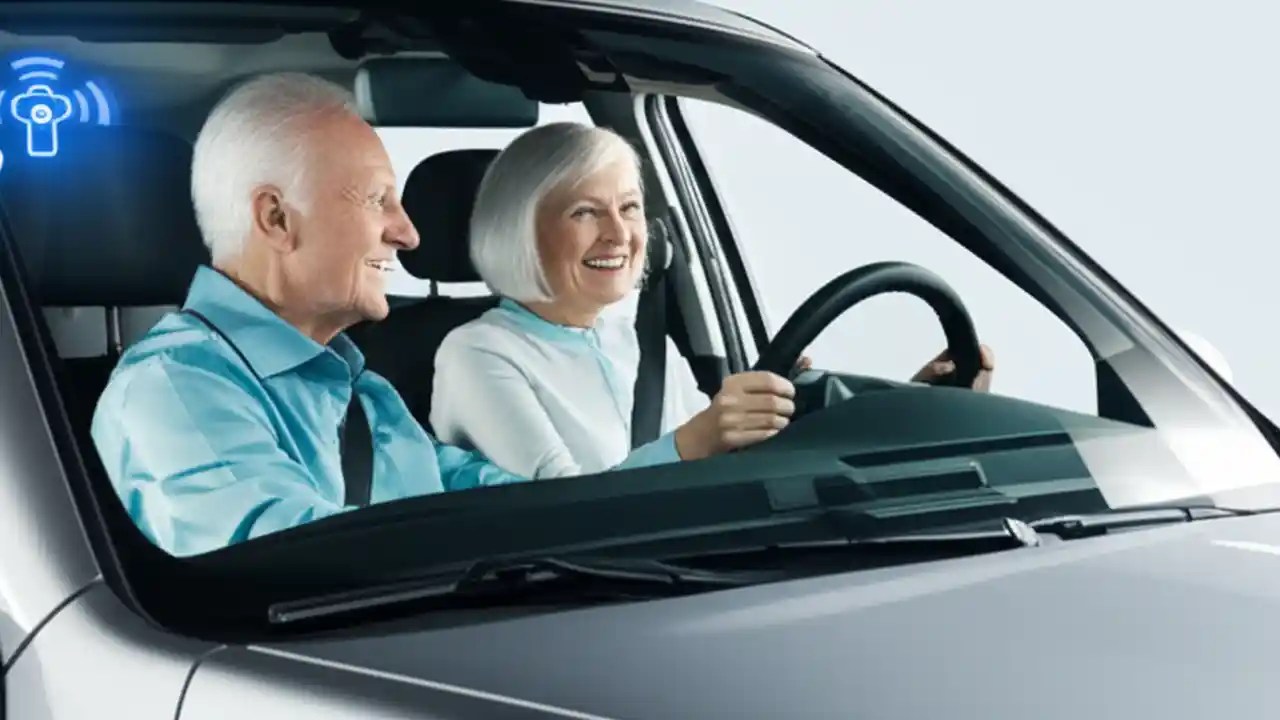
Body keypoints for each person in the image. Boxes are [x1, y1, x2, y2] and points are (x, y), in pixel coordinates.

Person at [91, 73, 527, 558]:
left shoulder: (356, 387)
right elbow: (298, 561)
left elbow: (471, 491)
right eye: (377, 200)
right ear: (276, 219)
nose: (408, 234)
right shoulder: (171, 387)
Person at [429, 123, 994, 480]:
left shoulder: (636, 340)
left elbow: (724, 461)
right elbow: (557, 512)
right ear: (519, 232)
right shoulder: (478, 353)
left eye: (629, 208)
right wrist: (695, 440)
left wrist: (911, 407)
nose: (619, 234)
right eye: (585, 212)